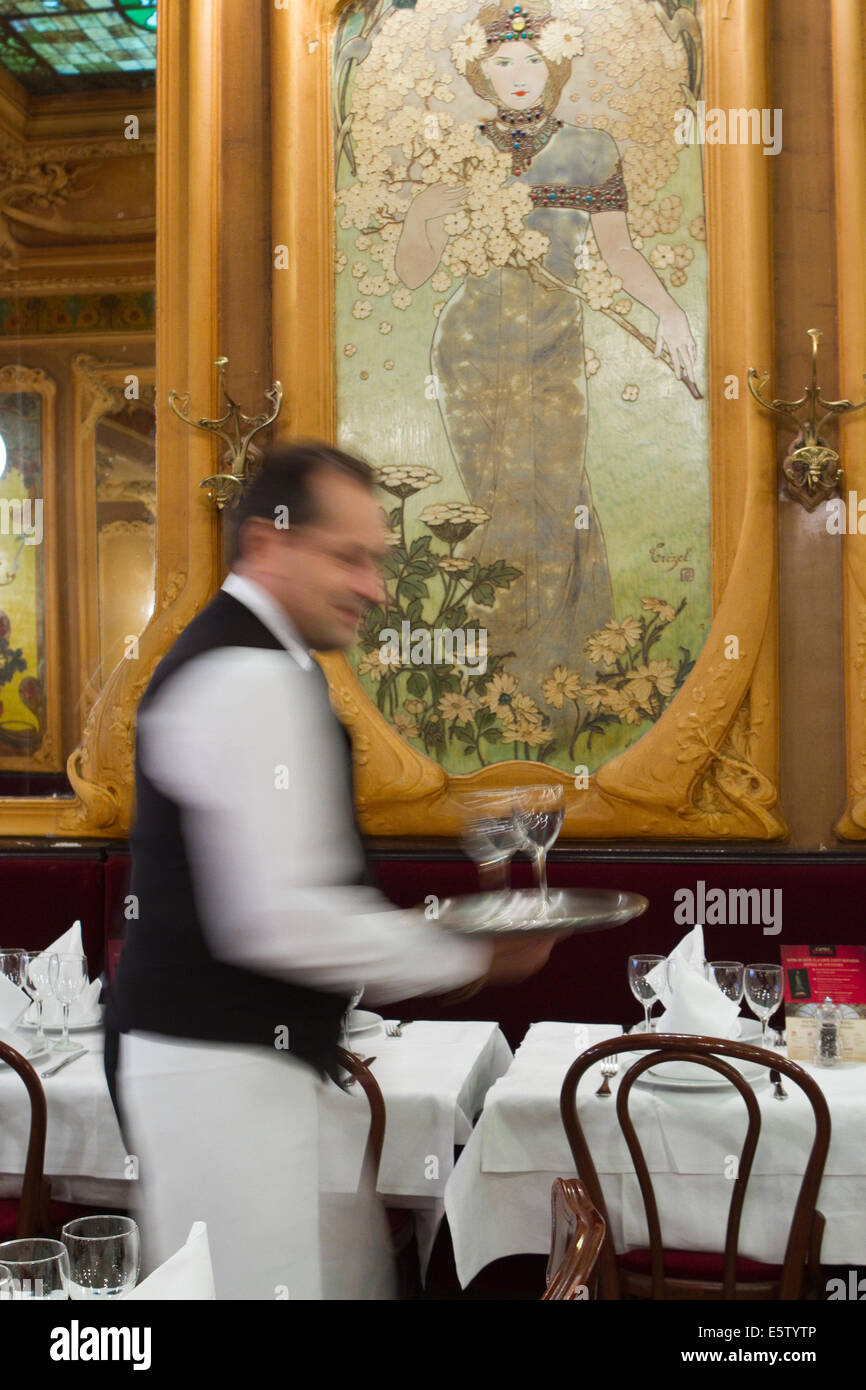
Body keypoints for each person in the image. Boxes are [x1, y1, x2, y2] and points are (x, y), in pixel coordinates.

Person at [105, 440, 556, 1299]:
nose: (374, 589)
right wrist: (470, 956)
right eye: (349, 558)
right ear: (269, 545)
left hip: (252, 1073)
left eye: (376, 561)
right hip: (222, 1084)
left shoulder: (260, 662)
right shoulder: (245, 675)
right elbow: (282, 920)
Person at [394, 0, 697, 728]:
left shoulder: (592, 150)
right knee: (497, 497)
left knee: (560, 490)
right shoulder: (451, 149)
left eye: (533, 60)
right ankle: (496, 683)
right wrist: (422, 211)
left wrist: (670, 311)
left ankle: (567, 670)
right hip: (469, 346)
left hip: (554, 335)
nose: (519, 74)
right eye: (502, 61)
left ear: (556, 66)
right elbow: (410, 274)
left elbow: (618, 252)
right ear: (479, 70)